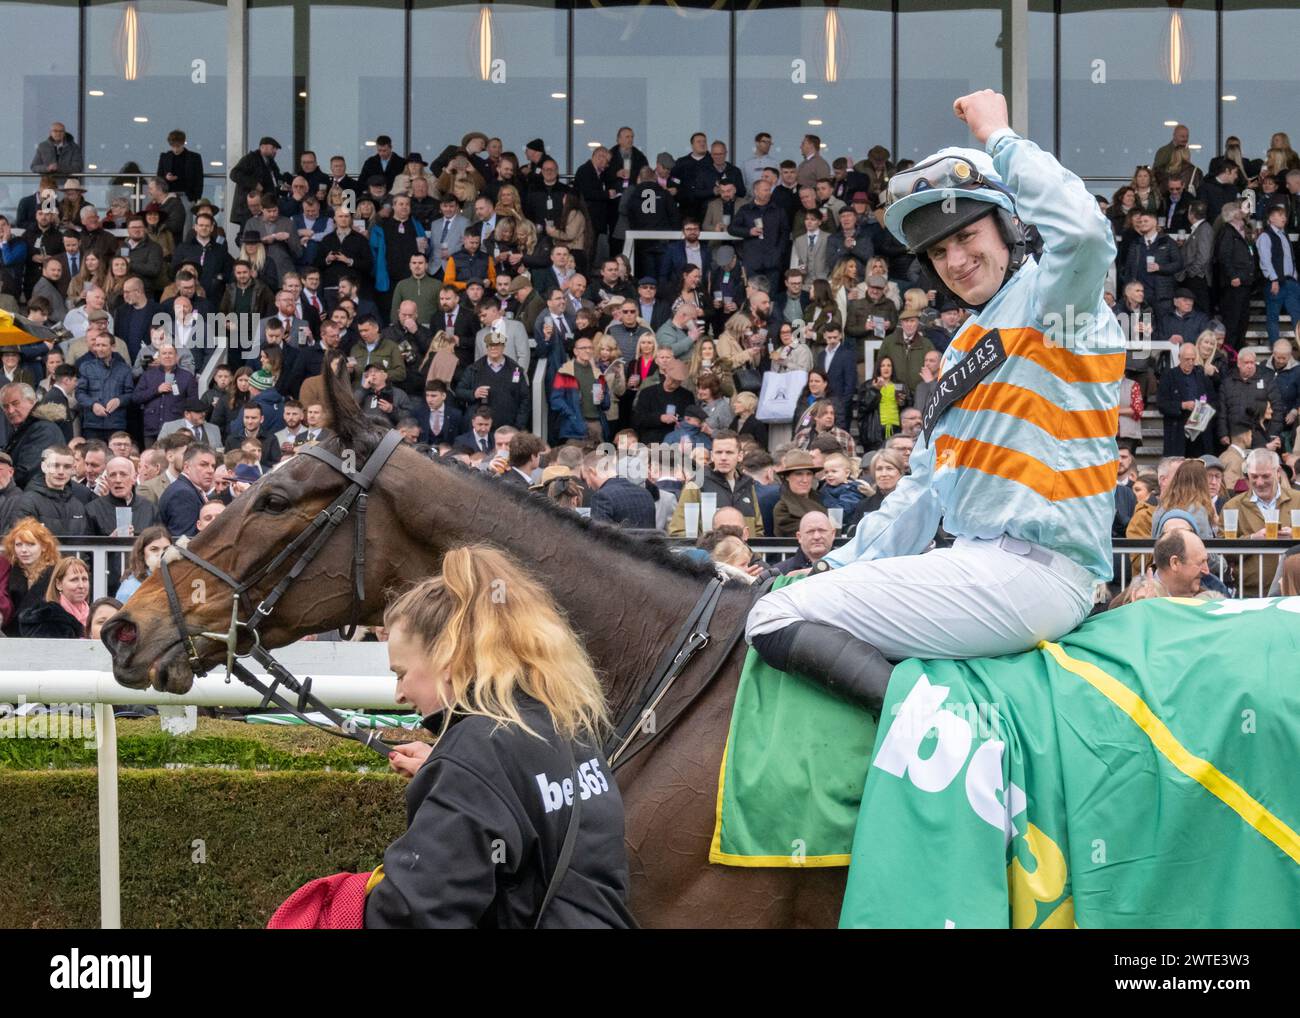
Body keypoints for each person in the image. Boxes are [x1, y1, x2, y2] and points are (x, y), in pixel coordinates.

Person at [747, 89, 1123, 708]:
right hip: (982, 566)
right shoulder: (961, 347)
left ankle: (926, 736)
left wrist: (1001, 138)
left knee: (770, 618)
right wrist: (835, 567)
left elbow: (1082, 232)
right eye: (938, 251)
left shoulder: (1055, 304)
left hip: (1033, 574)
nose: (955, 259)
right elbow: (922, 490)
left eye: (966, 235)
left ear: (1006, 225)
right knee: (801, 595)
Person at [364, 546, 634, 929]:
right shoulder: (564, 719)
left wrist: (460, 775)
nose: (399, 694)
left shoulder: (475, 755)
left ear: (449, 659)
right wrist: (456, 774)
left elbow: (415, 914)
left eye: (400, 672)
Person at [1222, 448, 1300, 596]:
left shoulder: (1298, 499)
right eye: (1254, 476)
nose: (1259, 482)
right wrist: (1252, 540)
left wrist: (1296, 536)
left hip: (1293, 591)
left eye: (1265, 476)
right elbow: (1221, 552)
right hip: (1249, 593)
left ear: (1278, 473)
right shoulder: (1232, 506)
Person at [1, 517, 61, 637]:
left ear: (44, 546)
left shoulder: (57, 572)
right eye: (18, 545)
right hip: (13, 636)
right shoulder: (10, 571)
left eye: (30, 544)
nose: (24, 550)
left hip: (47, 635)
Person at [159, 443, 216, 539]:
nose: (210, 470)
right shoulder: (183, 494)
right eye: (204, 465)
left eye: (213, 466)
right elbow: (184, 541)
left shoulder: (186, 489)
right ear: (186, 467)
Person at [772, 449, 823, 537]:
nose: (805, 480)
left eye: (809, 474)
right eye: (799, 474)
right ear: (787, 477)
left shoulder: (823, 500)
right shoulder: (782, 509)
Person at [114, 526, 172, 602]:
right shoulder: (129, 589)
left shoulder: (177, 581)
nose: (161, 554)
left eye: (166, 549)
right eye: (154, 549)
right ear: (142, 553)